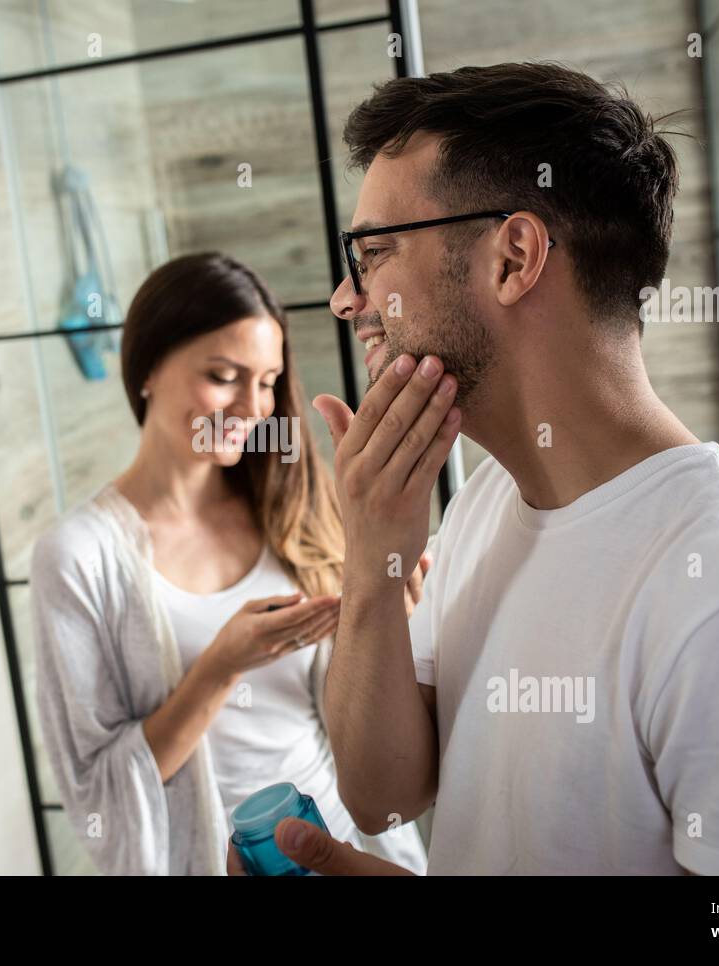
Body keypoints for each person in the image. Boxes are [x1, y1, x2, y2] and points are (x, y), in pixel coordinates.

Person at [230, 62, 719, 875]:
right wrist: (373, 556)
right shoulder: (484, 504)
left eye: (374, 254)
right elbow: (385, 797)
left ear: (514, 258)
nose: (345, 298)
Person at [30, 252, 428, 874]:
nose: (253, 406)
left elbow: (362, 705)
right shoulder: (78, 557)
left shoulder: (294, 509)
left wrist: (390, 616)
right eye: (223, 375)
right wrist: (220, 667)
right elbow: (98, 793)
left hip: (346, 847)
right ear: (147, 371)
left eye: (268, 380)